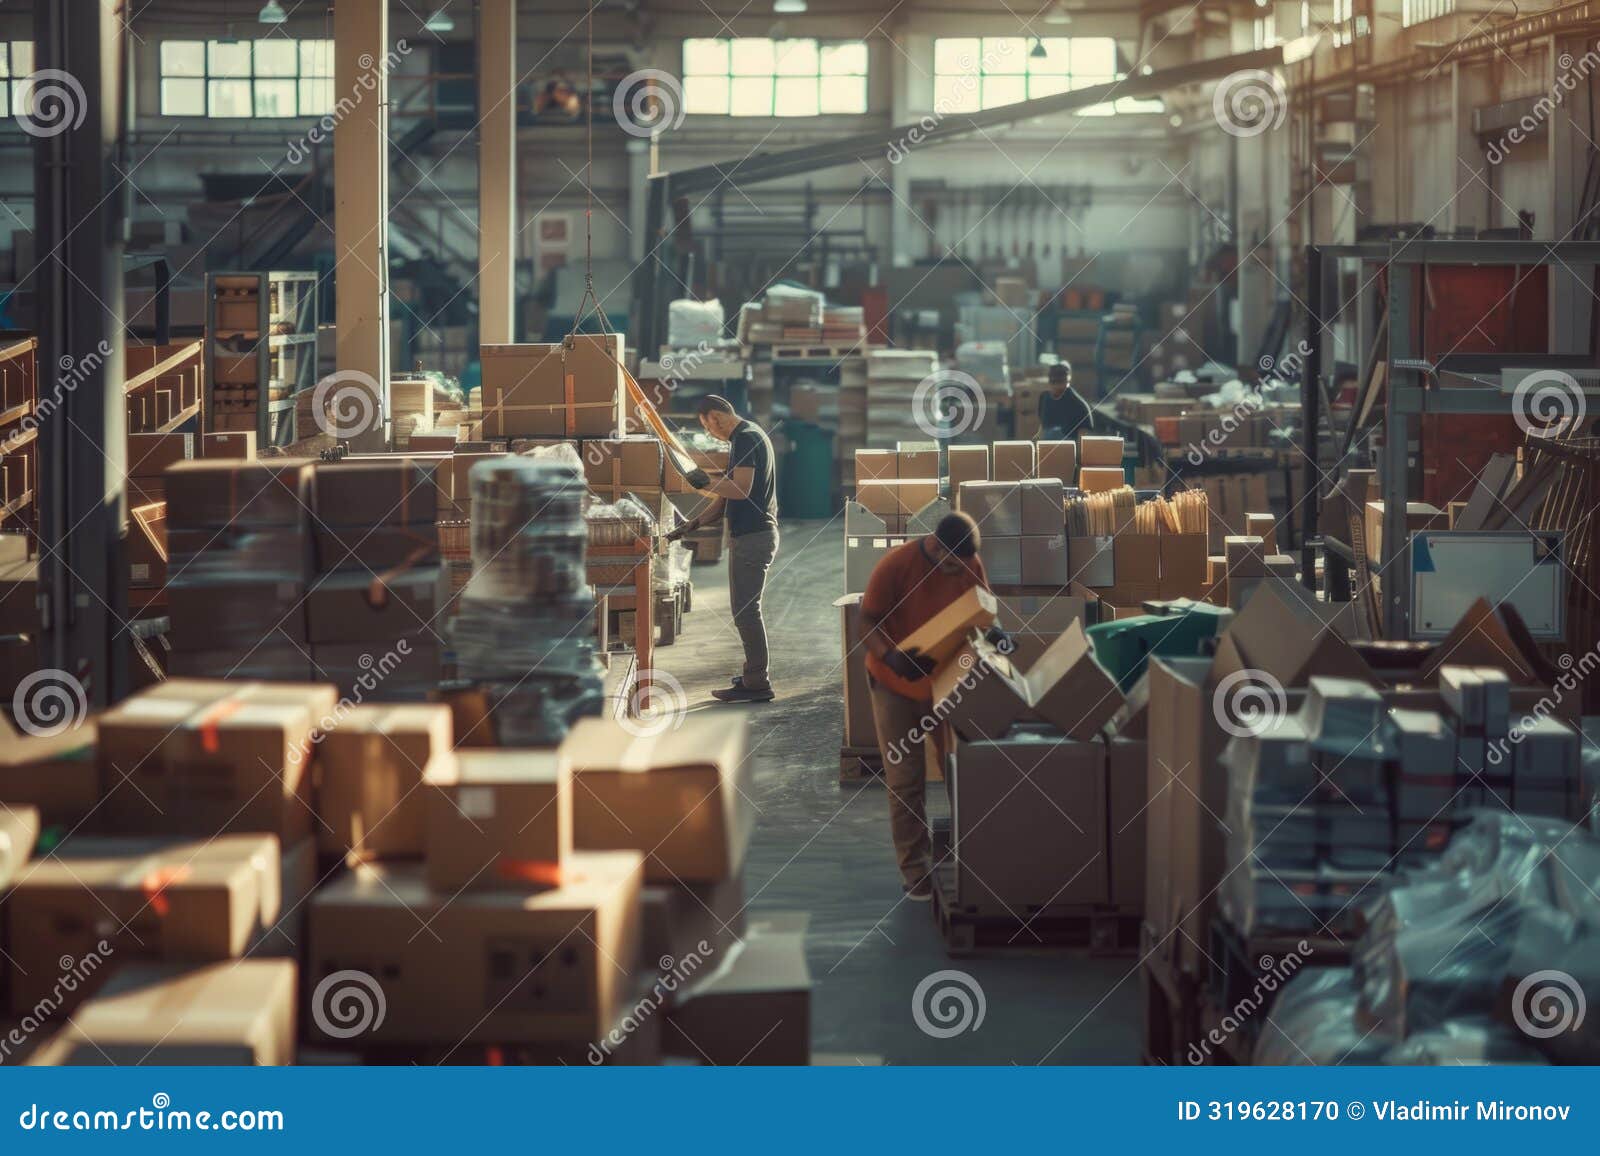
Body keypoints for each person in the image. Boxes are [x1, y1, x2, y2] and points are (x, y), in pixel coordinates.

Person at [859, 512, 1010, 900]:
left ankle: (975, 856)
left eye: (963, 564)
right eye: (951, 563)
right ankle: (915, 871)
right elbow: (866, 621)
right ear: (936, 546)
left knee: (960, 770)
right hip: (893, 683)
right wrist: (891, 657)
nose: (957, 570)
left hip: (946, 684)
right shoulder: (896, 565)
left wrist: (997, 640)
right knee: (905, 779)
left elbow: (982, 616)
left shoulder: (968, 564)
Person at [666, 396, 780, 703]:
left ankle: (757, 682)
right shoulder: (748, 436)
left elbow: (740, 490)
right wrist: (691, 524)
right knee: (745, 611)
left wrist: (702, 483)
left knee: (746, 612)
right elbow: (726, 499)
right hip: (751, 535)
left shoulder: (746, 438)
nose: (710, 433)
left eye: (707, 426)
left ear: (716, 417)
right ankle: (754, 677)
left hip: (753, 537)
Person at [1036, 360, 1093, 441]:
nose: (1056, 387)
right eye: (1053, 382)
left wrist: (1078, 452)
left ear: (1068, 382)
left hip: (1068, 451)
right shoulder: (1045, 399)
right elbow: (1042, 427)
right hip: (1046, 449)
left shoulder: (1080, 406)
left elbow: (1083, 439)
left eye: (1060, 382)